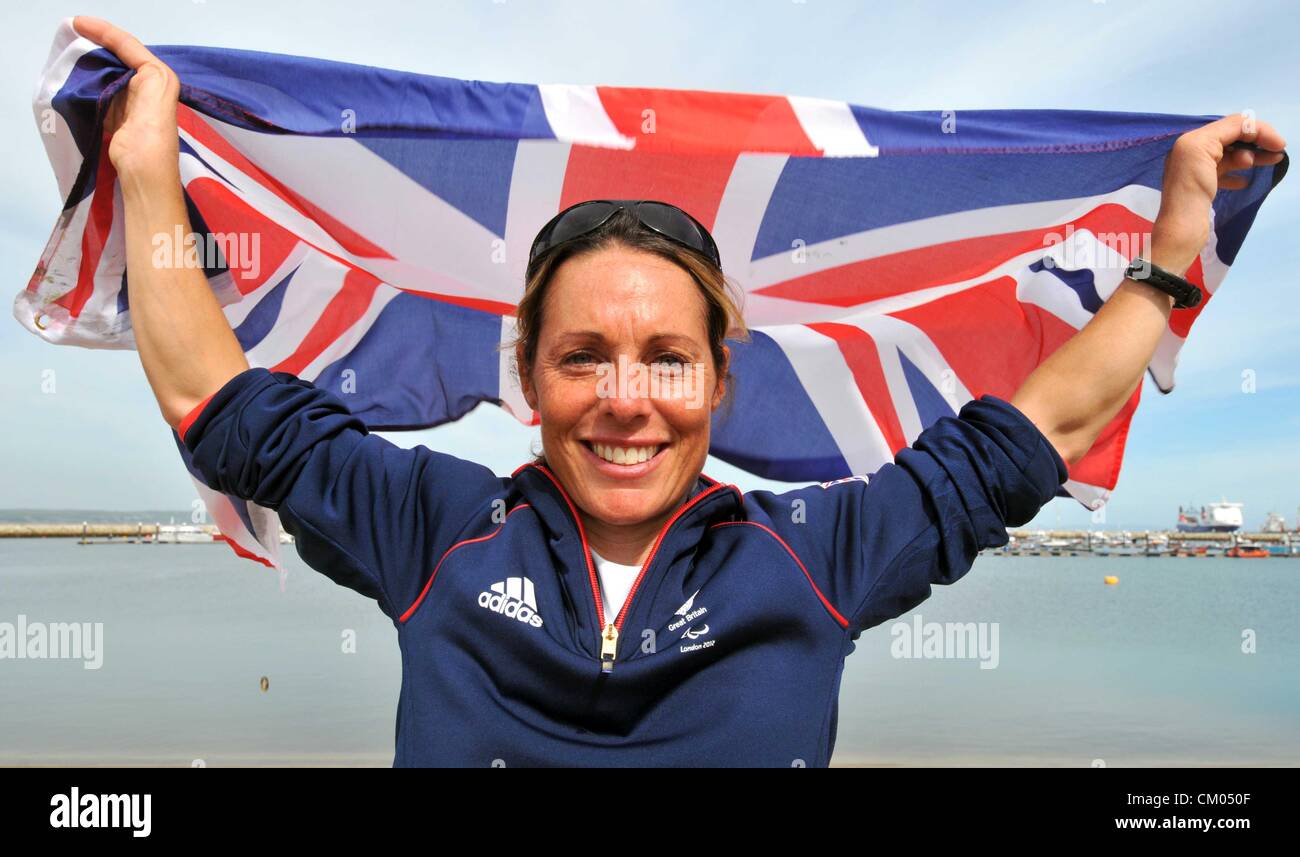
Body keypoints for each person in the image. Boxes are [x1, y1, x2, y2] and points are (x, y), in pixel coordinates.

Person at [71, 16, 1286, 767]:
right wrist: (144, 169)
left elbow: (1038, 428)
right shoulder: (433, 528)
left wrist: (1170, 262)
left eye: (666, 357)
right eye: (582, 355)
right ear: (527, 380)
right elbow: (222, 406)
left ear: (719, 378)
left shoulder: (824, 549)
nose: (626, 397)